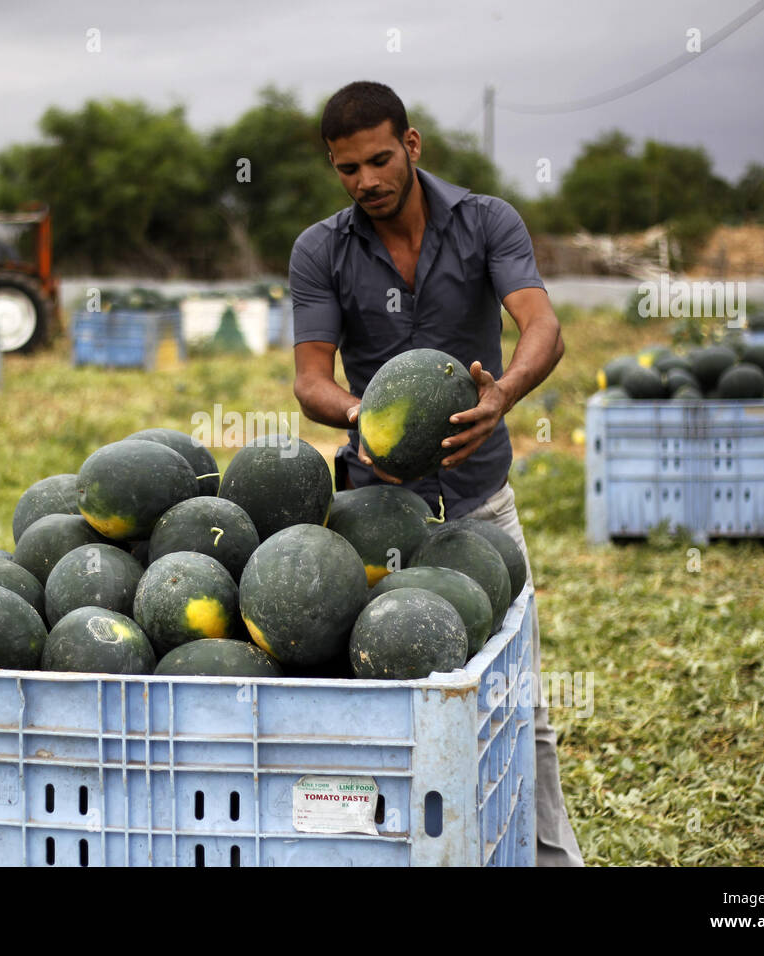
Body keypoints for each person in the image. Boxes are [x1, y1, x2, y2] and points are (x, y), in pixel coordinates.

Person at [289, 80, 584, 866]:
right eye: (348, 169)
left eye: (380, 160)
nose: (367, 181)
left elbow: (543, 326)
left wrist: (504, 395)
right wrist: (362, 416)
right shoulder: (321, 248)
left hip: (481, 500)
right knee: (378, 698)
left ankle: (553, 859)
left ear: (412, 145)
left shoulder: (486, 222)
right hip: (376, 509)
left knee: (521, 704)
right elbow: (310, 379)